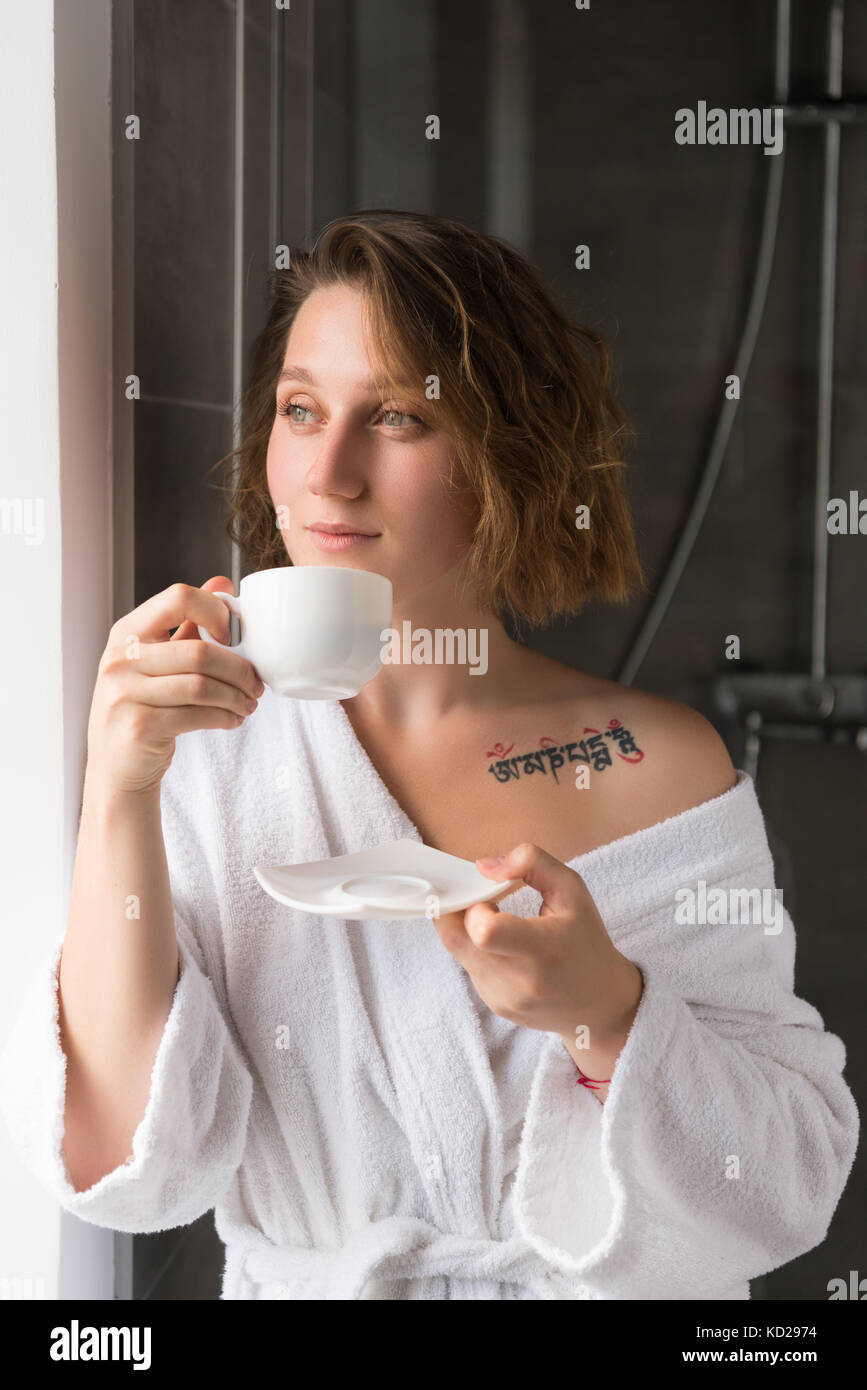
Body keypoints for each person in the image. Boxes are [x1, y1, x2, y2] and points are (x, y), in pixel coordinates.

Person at [0, 211, 857, 1300]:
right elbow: (127, 1169)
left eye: (398, 417)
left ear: (505, 452)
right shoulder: (204, 755)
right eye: (300, 409)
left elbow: (782, 1188)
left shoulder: (661, 765)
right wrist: (119, 790)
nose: (327, 473)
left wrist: (608, 1011)